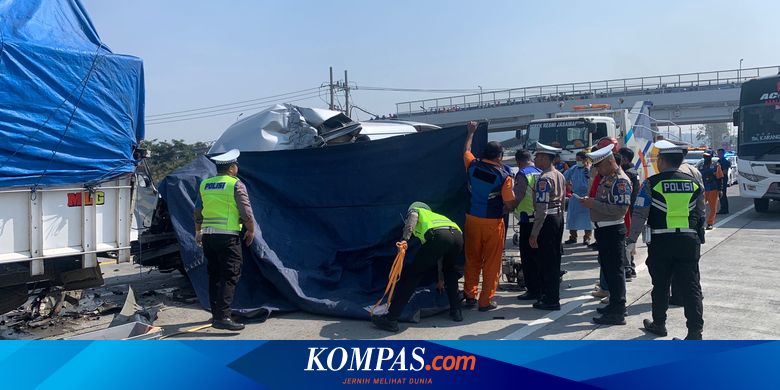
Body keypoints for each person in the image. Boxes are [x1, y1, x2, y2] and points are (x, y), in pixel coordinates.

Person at [629, 140, 706, 340]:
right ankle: (695, 332)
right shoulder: (694, 184)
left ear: (662, 161)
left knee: (661, 286)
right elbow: (701, 214)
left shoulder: (651, 183)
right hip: (688, 242)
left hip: (661, 242)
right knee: (691, 288)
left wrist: (631, 241)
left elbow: (639, 214)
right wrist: (699, 238)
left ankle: (659, 324)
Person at [372, 202, 464, 332]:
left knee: (413, 275)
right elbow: (437, 254)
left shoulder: (416, 210)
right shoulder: (436, 217)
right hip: (457, 236)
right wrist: (440, 279)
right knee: (450, 271)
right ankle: (456, 311)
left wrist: (404, 239)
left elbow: (412, 220)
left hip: (439, 236)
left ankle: (391, 318)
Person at [194, 149, 255, 331]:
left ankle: (217, 314)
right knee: (230, 275)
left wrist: (198, 231)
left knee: (215, 275)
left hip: (208, 237)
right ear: (231, 168)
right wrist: (251, 229)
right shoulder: (235, 184)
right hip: (228, 237)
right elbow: (245, 210)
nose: (236, 168)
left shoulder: (205, 184)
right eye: (235, 165)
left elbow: (198, 210)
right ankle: (223, 317)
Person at [463, 121, 515, 311]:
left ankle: (469, 295)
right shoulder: (504, 176)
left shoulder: (472, 165)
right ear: (500, 156)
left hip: (471, 219)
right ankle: (485, 301)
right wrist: (508, 208)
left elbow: (466, 149)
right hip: (493, 222)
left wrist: (471, 133)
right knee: (491, 262)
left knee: (472, 258)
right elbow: (509, 203)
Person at [581, 144, 632, 325]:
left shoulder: (620, 181)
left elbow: (620, 210)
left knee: (616, 272)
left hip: (613, 229)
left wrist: (592, 204)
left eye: (599, 166)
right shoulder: (607, 178)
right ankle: (613, 303)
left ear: (610, 162)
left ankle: (618, 309)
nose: (598, 170)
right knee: (609, 271)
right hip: (603, 229)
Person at [529, 142, 566, 310]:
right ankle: (550, 295)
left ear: (545, 158)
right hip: (557, 218)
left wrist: (534, 233)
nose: (535, 159)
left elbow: (542, 210)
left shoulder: (544, 179)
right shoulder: (559, 175)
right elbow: (563, 201)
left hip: (547, 221)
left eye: (537, 156)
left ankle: (551, 299)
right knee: (554, 259)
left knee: (547, 261)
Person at [510, 150, 543, 301]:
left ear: (518, 162)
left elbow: (518, 196)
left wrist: (508, 207)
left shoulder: (523, 174)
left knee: (528, 257)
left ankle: (533, 289)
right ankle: (541, 286)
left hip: (527, 219)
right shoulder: (539, 172)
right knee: (539, 256)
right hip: (540, 219)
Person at [618, 148, 640, 280]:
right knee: (629, 242)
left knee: (626, 241)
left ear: (625, 159)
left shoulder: (627, 174)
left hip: (628, 212)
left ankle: (628, 268)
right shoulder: (633, 170)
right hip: (632, 210)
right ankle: (630, 266)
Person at [563, 151, 593, 245]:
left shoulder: (590, 169)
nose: (577, 162)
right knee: (572, 217)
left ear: (585, 160)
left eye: (579, 160)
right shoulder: (574, 168)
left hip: (587, 196)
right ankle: (573, 237)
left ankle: (587, 238)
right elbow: (564, 177)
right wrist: (568, 185)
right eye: (576, 160)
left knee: (588, 219)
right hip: (575, 196)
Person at [700, 152, 724, 230]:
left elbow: (720, 178)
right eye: (704, 156)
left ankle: (710, 223)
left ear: (711, 157)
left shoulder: (716, 166)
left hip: (713, 189)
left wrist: (720, 189)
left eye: (707, 156)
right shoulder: (700, 166)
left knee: (713, 208)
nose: (705, 158)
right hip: (703, 189)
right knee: (699, 207)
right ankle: (699, 223)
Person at [717, 148, 731, 214]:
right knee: (720, 195)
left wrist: (716, 173)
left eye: (720, 153)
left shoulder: (725, 161)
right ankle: (723, 208)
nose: (719, 155)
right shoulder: (718, 161)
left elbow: (725, 172)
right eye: (718, 153)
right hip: (719, 179)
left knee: (723, 194)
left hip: (723, 179)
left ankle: (725, 209)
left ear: (723, 154)